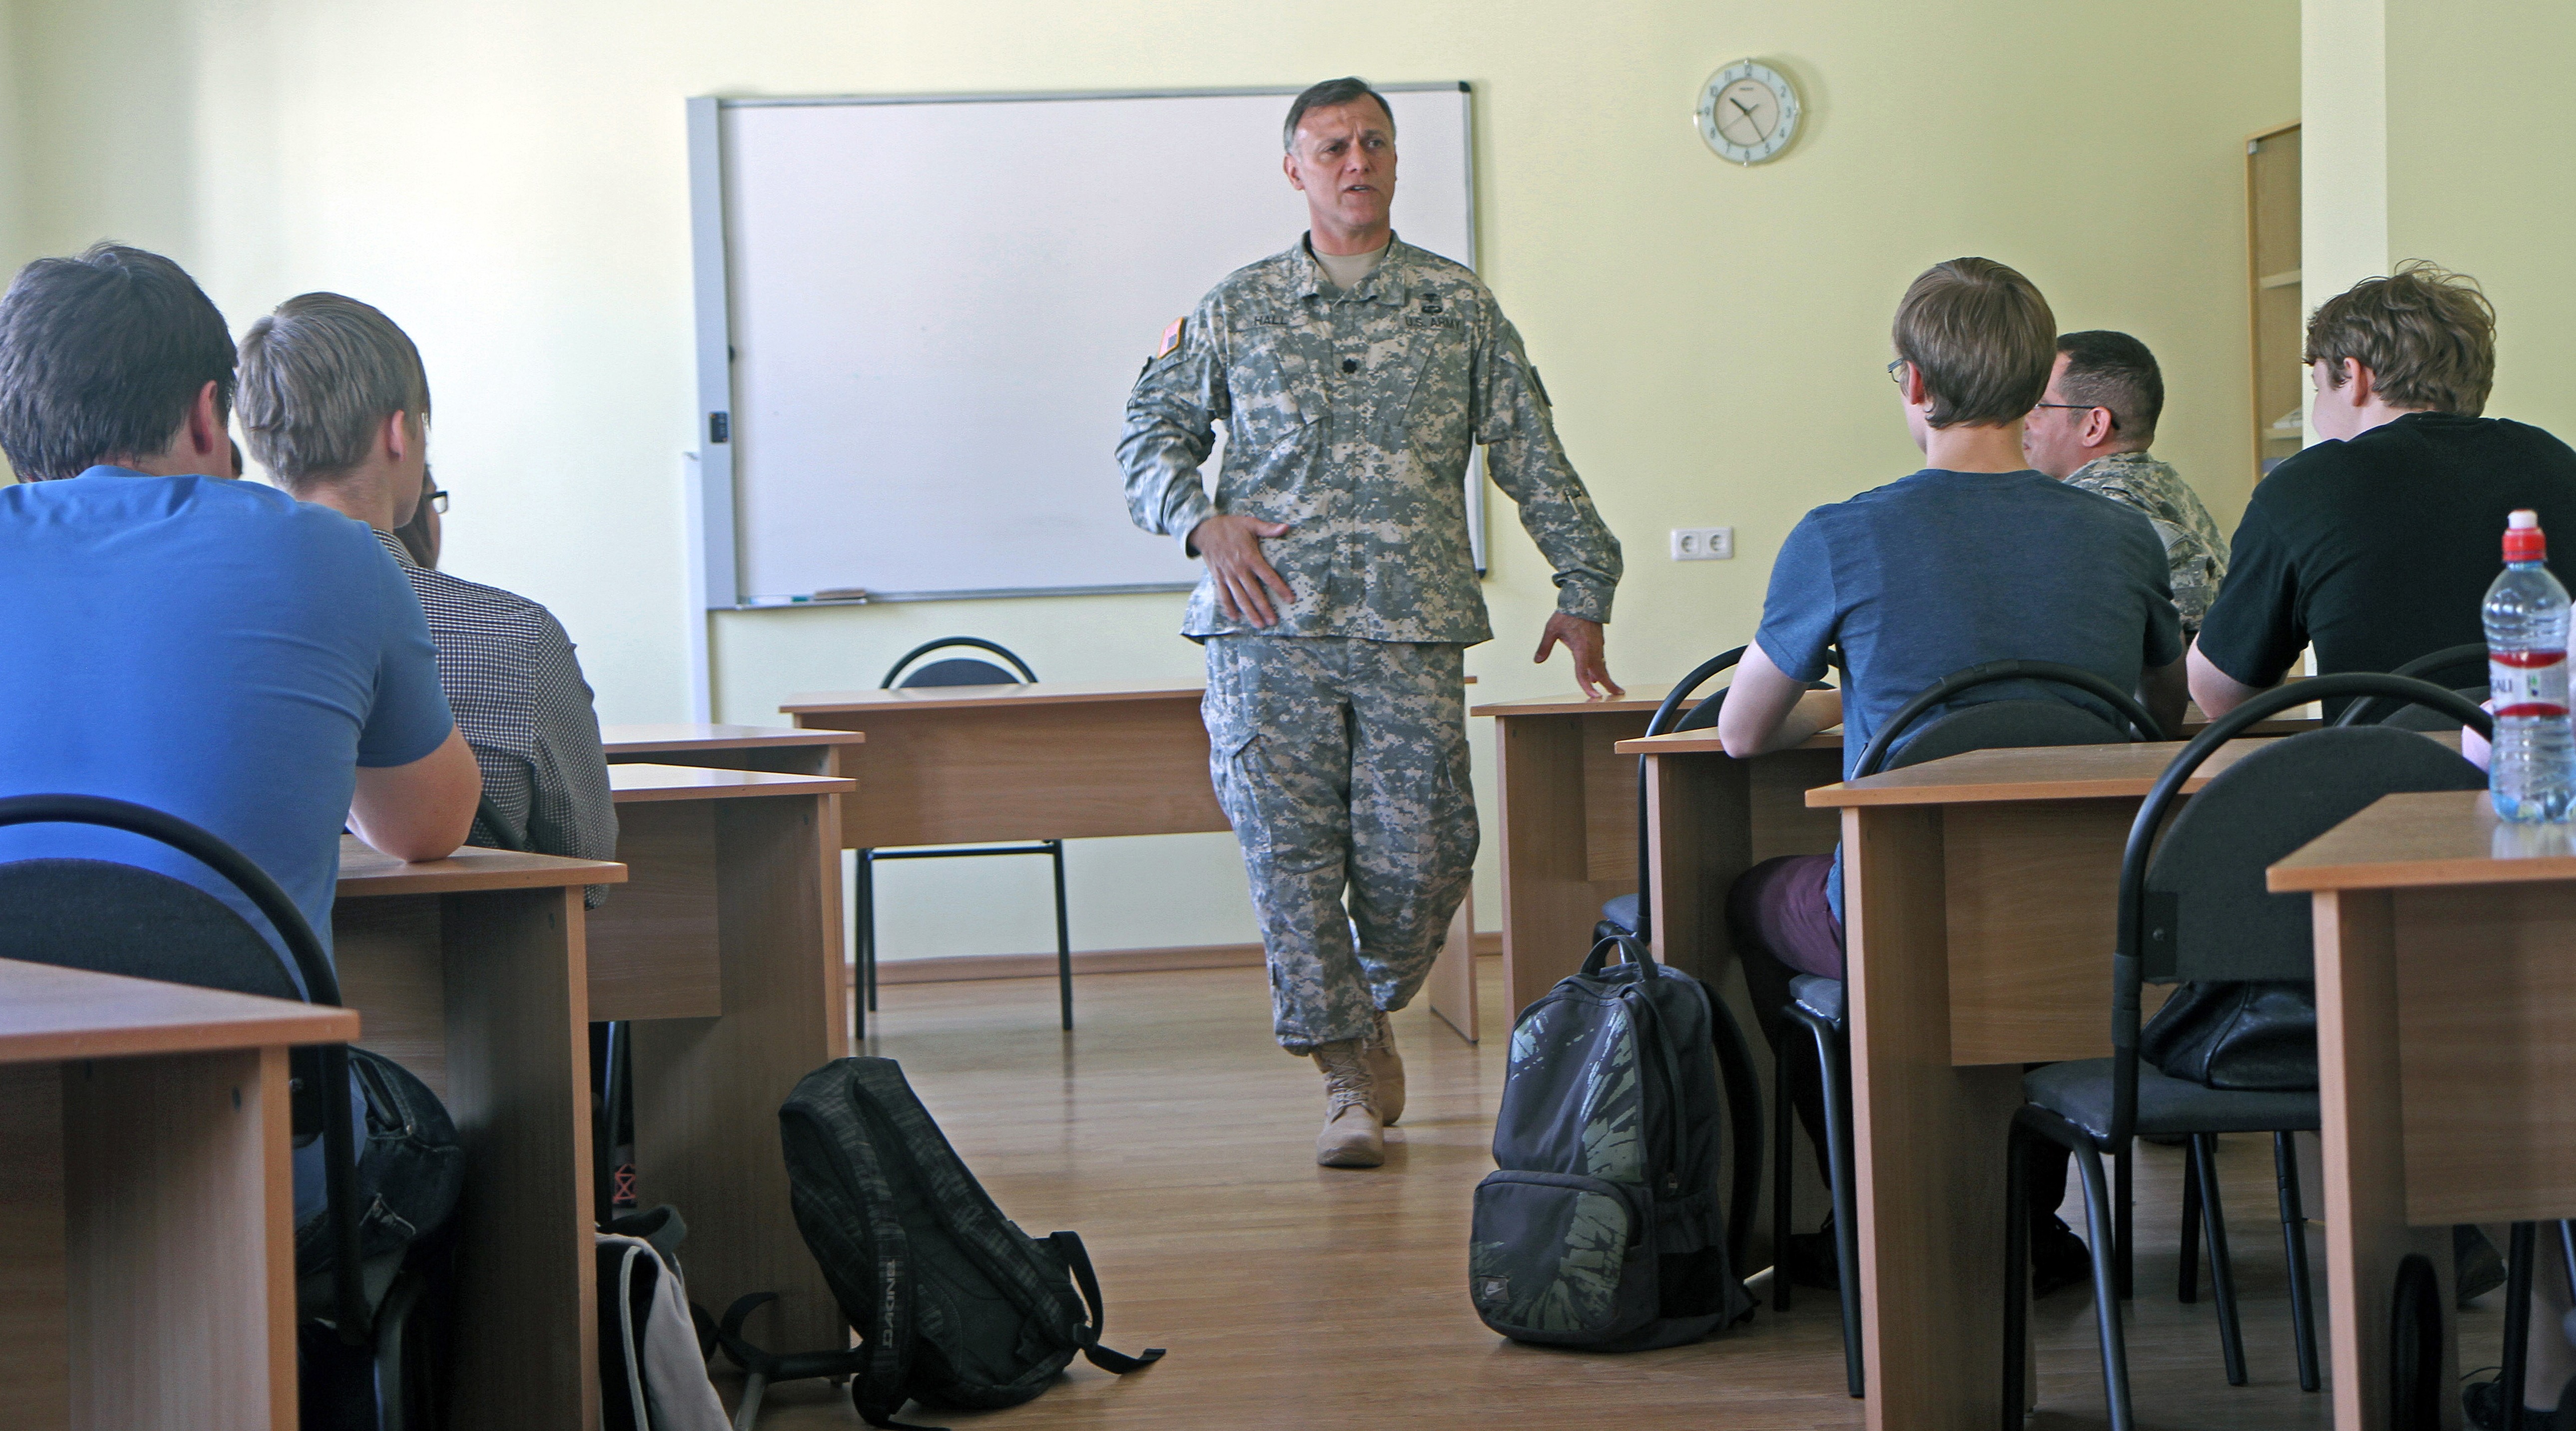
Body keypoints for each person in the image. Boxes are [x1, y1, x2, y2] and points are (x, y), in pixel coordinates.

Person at [1119, 76, 1624, 1169]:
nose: (1358, 161)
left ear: (1397, 161)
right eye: (1333, 146)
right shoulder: (1235, 305)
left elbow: (1530, 451)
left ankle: (1361, 997)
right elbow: (1149, 434)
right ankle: (1351, 1069)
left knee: (1430, 851)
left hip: (1409, 628)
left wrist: (1584, 580)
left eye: (1376, 143)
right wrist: (1201, 522)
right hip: (1267, 632)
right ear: (1294, 168)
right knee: (1288, 864)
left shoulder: (1458, 307)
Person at [1715, 258, 2186, 1292]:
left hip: (1907, 912)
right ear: (2034, 392)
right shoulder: (2122, 535)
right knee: (2032, 943)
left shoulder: (1842, 534)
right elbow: (2161, 717)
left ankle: (1864, 1211)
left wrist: (1865, 696)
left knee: (1754, 899)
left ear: (1915, 386)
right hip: (2092, 910)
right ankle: (2027, 1215)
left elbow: (1744, 732)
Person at [0, 244, 478, 1233]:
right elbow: (424, 827)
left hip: (13, 1153)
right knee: (431, 1129)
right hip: (253, 1156)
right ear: (212, 415)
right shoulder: (337, 554)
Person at [236, 292, 617, 892]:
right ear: (398, 432)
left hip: (273, 969)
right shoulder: (521, 637)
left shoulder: (216, 628)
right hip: (477, 969)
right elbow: (588, 873)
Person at [2191, 262, 2576, 719]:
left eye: (2318, 388)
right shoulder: (2558, 462)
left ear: (2355, 377)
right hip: (2544, 772)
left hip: (2378, 778)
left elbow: (2222, 695)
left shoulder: (2305, 486)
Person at [2021, 330, 2228, 634]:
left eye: (2038, 405)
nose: (2019, 418)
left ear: (2094, 426)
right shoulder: (2163, 487)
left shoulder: (2093, 516)